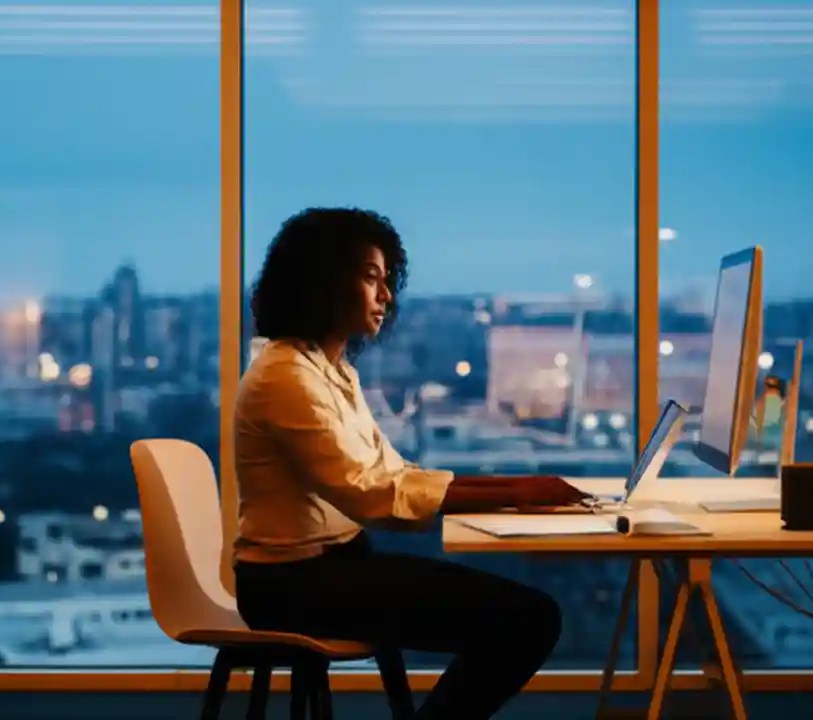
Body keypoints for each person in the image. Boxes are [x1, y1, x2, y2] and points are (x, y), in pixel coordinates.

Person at [232, 207, 590, 719]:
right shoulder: (286, 377)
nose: (386, 296)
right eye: (371, 278)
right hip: (292, 586)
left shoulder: (330, 370)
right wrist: (517, 493)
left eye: (387, 280)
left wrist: (521, 486)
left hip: (332, 567)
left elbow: (392, 474)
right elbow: (373, 495)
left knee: (522, 614)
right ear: (326, 283)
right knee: (528, 619)